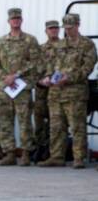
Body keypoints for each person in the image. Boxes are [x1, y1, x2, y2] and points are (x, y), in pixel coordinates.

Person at [41, 12, 97, 167]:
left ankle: (79, 158)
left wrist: (69, 78)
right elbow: (50, 65)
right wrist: (47, 77)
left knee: (77, 126)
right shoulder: (59, 45)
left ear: (78, 25)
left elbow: (87, 67)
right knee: (56, 127)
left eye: (71, 27)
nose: (68, 31)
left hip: (75, 93)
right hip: (55, 93)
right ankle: (57, 157)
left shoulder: (87, 45)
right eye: (65, 28)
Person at [0, 8, 42, 165]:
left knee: (24, 120)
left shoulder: (30, 40)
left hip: (22, 87)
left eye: (18, 18)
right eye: (13, 19)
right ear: (8, 21)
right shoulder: (1, 42)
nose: (15, 21)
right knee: (5, 120)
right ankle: (10, 153)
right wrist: (3, 76)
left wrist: (17, 74)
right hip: (5, 87)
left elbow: (36, 62)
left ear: (22, 20)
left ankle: (26, 153)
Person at [34, 20, 62, 162]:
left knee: (56, 123)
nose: (53, 31)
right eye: (51, 29)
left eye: (56, 28)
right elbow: (34, 69)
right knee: (39, 122)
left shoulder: (64, 47)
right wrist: (40, 80)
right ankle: (41, 150)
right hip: (42, 92)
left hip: (59, 90)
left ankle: (54, 153)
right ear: (46, 31)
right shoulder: (40, 49)